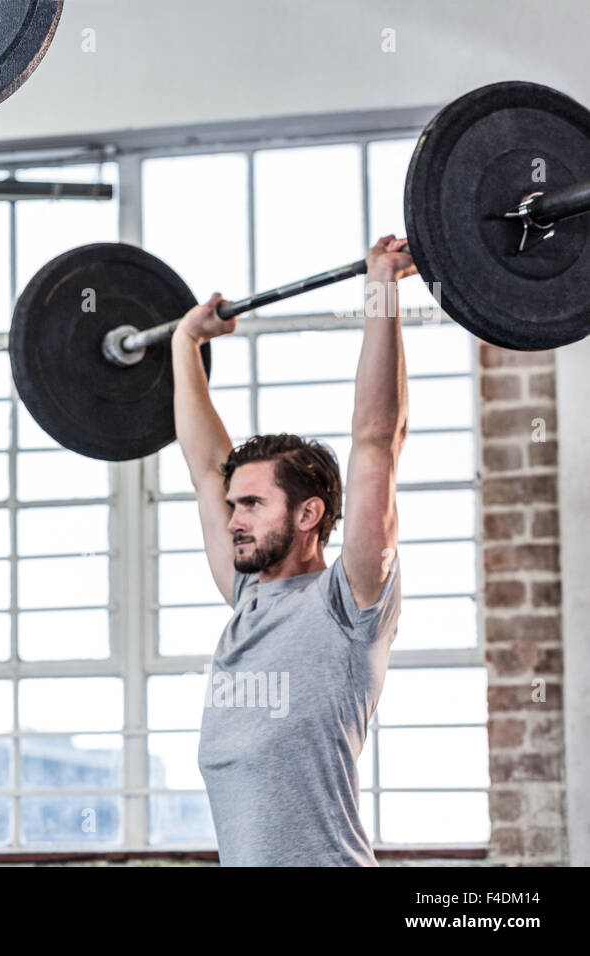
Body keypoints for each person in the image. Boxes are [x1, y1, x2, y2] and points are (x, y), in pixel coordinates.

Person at [172, 236, 415, 866]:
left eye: (252, 504)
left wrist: (381, 285)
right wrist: (185, 344)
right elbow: (204, 468)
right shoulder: (248, 595)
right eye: (233, 506)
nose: (231, 521)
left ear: (308, 515)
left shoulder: (349, 602)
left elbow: (375, 441)